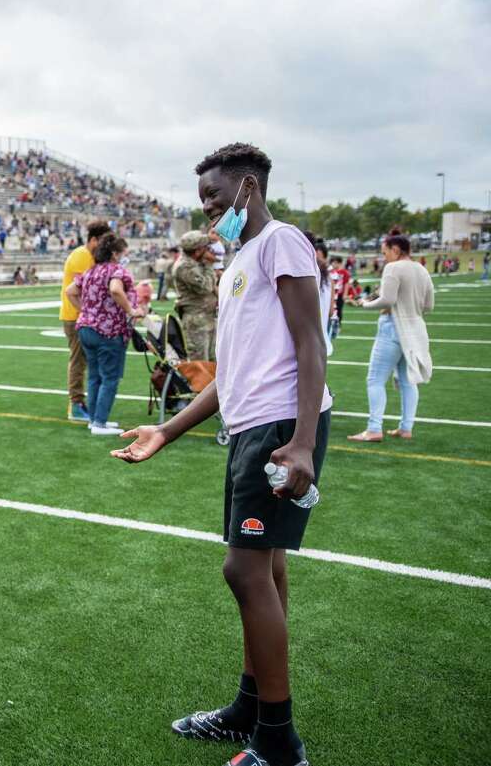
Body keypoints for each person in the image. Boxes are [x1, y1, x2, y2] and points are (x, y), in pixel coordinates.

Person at [112, 143, 329, 766]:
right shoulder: (241, 259)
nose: (207, 206)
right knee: (266, 567)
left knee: (244, 571)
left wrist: (303, 441)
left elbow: (311, 344)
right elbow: (229, 375)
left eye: (215, 194)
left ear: (248, 187)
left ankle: (278, 741)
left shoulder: (281, 241)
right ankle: (250, 708)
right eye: (202, 197)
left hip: (279, 426)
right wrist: (166, 431)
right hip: (253, 425)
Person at [346, 231, 433, 443]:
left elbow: (387, 300)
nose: (384, 257)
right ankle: (406, 427)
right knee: (407, 381)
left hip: (393, 327)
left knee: (375, 379)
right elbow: (429, 305)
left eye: (385, 252)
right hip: (415, 328)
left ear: (395, 250)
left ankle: (374, 428)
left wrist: (364, 304)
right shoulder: (422, 269)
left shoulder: (393, 268)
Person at [65, 233, 144, 434]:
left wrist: (86, 311)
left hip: (86, 328)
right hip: (108, 331)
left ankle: (94, 420)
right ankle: (99, 422)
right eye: (123, 253)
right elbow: (116, 289)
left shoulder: (91, 270)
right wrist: (131, 310)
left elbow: (70, 291)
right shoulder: (116, 270)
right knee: (109, 377)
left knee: (94, 376)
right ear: (115, 253)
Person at [60, 223, 106, 421]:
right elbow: (85, 289)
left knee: (85, 360)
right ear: (93, 240)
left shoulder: (89, 256)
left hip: (82, 315)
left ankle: (82, 402)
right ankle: (76, 403)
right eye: (103, 241)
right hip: (75, 315)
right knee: (78, 360)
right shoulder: (82, 256)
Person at [172, 230, 219, 361]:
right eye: (205, 247)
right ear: (197, 251)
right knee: (200, 364)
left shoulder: (197, 262)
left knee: (214, 362)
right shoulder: (184, 267)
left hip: (208, 317)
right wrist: (209, 265)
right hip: (196, 321)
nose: (208, 249)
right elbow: (206, 287)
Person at [327, 256, 351, 337]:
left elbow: (346, 284)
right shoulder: (331, 272)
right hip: (332, 295)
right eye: (333, 263)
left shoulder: (344, 272)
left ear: (339, 263)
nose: (333, 264)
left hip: (340, 294)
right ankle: (331, 324)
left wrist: (345, 294)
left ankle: (338, 325)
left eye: (335, 263)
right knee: (332, 309)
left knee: (339, 310)